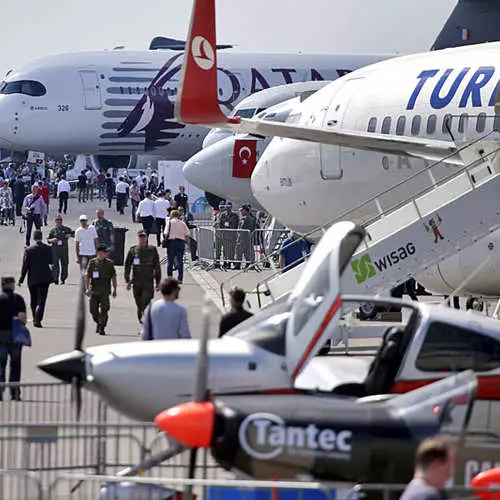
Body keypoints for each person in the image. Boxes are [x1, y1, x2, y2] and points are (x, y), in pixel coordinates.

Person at [124, 230, 162, 324]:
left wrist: (158, 282)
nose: (142, 238)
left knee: (146, 298)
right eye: (140, 237)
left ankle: (143, 311)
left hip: (148, 280)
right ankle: (141, 311)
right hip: (136, 281)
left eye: (144, 236)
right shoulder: (133, 250)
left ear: (147, 237)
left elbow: (157, 266)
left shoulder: (152, 250)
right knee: (138, 301)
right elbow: (127, 265)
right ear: (138, 238)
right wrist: (127, 280)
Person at [18, 229, 53, 328]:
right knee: (42, 300)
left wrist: (21, 279)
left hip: (33, 278)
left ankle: (34, 316)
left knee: (33, 299)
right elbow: (51, 261)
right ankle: (38, 319)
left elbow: (25, 266)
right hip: (45, 277)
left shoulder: (29, 250)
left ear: (33, 237)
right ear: (41, 237)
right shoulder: (47, 248)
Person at [0, 277, 27, 401]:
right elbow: (22, 318)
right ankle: (14, 392)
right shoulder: (18, 299)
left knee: (1, 364)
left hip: (1, 336)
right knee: (15, 365)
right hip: (15, 336)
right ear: (12, 285)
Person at [85, 244, 117, 335]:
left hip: (105, 290)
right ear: (99, 253)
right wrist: (87, 288)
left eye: (106, 253)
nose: (106, 254)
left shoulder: (110, 263)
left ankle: (102, 327)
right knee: (93, 310)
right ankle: (98, 322)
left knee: (104, 309)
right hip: (94, 290)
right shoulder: (92, 262)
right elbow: (87, 276)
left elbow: (113, 277)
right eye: (104, 252)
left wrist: (115, 289)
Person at [164, 210, 190, 283]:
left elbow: (166, 233)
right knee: (180, 261)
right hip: (181, 242)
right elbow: (187, 234)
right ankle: (180, 279)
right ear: (178, 215)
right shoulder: (182, 223)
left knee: (170, 261)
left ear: (171, 215)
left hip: (171, 242)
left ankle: (170, 278)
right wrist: (188, 244)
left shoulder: (169, 223)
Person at [47, 215, 74, 284]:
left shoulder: (66, 229)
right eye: (57, 220)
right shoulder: (53, 230)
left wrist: (70, 235)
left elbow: (74, 234)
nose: (59, 221)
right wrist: (51, 240)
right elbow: (48, 239)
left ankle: (63, 278)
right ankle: (55, 279)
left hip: (64, 250)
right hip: (55, 250)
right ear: (55, 221)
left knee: (65, 264)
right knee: (55, 265)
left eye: (60, 220)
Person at [235, 204, 258, 270]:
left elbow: (247, 229)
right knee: (239, 251)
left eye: (242, 210)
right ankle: (238, 265)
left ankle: (245, 264)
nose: (241, 212)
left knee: (245, 252)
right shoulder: (243, 217)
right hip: (241, 238)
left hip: (245, 238)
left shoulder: (248, 218)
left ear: (245, 210)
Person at [220, 202, 239, 268]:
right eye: (227, 207)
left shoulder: (235, 215)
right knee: (225, 249)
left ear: (231, 207)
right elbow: (221, 224)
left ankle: (231, 261)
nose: (228, 208)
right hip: (225, 235)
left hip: (232, 235)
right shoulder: (223, 215)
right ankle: (225, 261)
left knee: (232, 249)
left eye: (229, 207)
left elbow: (236, 225)